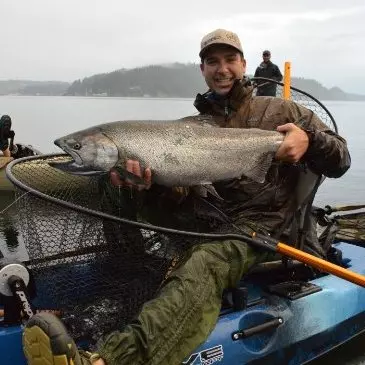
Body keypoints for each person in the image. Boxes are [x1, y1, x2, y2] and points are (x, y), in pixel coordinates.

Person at [23, 29, 351, 365]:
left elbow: (341, 159)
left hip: (261, 227)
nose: (222, 69)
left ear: (243, 63)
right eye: (212, 62)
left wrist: (310, 140)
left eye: (229, 60)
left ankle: (110, 361)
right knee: (111, 183)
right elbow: (183, 193)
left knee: (205, 263)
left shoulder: (282, 111)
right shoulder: (190, 125)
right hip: (205, 218)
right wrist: (149, 186)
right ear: (203, 69)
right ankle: (130, 268)